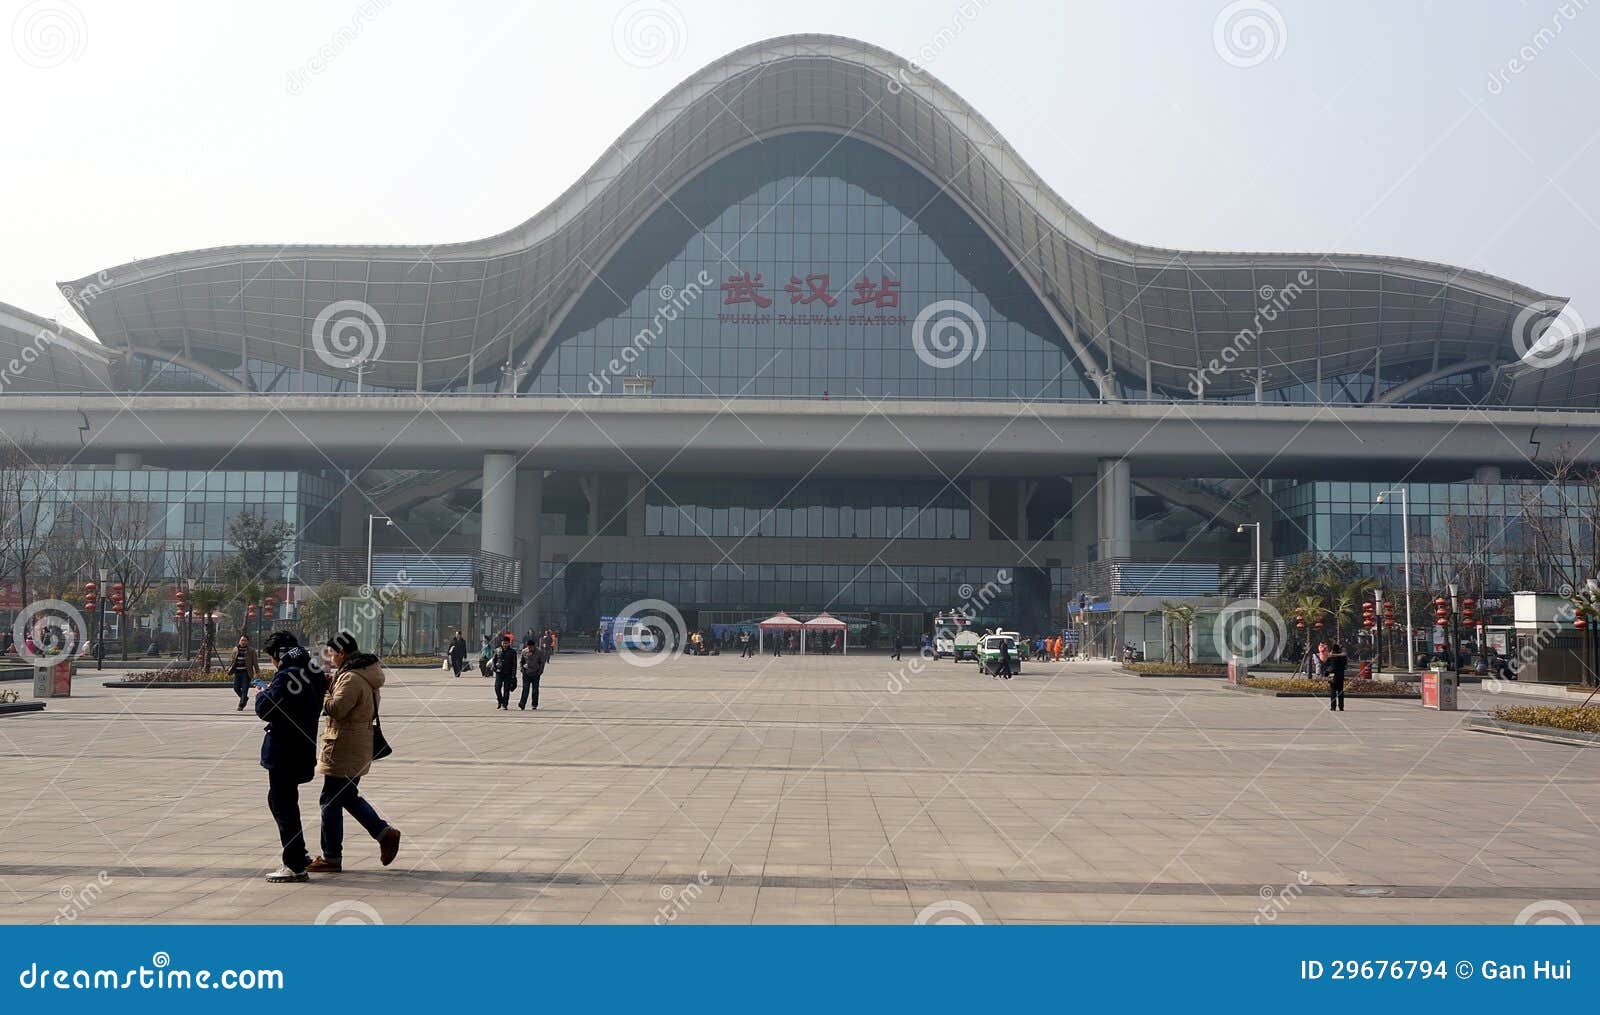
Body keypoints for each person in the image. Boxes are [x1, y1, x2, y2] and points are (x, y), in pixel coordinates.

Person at [307, 631, 400, 873]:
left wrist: (322, 691)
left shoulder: (350, 678)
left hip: (344, 745)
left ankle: (332, 857)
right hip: (357, 743)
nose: (330, 658)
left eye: (331, 653)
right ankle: (383, 833)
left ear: (342, 653)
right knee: (345, 796)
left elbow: (337, 709)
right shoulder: (365, 673)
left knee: (329, 800)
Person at [256, 630, 327, 883]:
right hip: (302, 746)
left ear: (279, 654)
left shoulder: (287, 676)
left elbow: (266, 709)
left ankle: (294, 864)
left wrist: (262, 693)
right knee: (282, 803)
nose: (272, 663)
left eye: (272, 657)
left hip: (284, 750)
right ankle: (299, 853)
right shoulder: (314, 673)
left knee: (284, 806)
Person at [229, 633, 259, 711]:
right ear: (239, 641)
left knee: (245, 689)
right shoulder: (235, 649)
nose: (243, 642)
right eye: (242, 640)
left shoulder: (251, 650)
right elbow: (232, 660)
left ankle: (241, 705)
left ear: (247, 642)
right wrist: (230, 668)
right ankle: (245, 698)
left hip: (246, 672)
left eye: (245, 640)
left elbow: (255, 662)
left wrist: (257, 672)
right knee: (236, 688)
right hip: (237, 672)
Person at [491, 633, 518, 710]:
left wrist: (513, 675)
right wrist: (494, 668)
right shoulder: (497, 650)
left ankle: (505, 704)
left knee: (506, 689)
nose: (505, 644)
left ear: (509, 643)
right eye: (503, 643)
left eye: (506, 643)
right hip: (499, 672)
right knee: (497, 688)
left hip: (508, 673)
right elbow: (494, 660)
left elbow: (514, 664)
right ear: (501, 643)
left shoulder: (512, 652)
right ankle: (500, 700)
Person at [518, 637, 545, 711]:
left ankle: (534, 704)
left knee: (535, 690)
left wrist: (540, 672)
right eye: (528, 647)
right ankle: (522, 704)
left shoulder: (539, 652)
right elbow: (521, 661)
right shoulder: (524, 651)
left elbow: (542, 663)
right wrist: (522, 669)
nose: (529, 649)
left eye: (531, 647)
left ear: (534, 646)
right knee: (525, 689)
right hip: (526, 673)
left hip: (535, 673)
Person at [1325, 642, 1347, 712]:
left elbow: (1326, 664)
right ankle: (1341, 707)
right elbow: (1345, 663)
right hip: (1340, 675)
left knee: (1333, 691)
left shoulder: (1331, 657)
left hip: (1332, 675)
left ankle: (1333, 707)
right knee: (1340, 691)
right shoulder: (1342, 657)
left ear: (1333, 650)